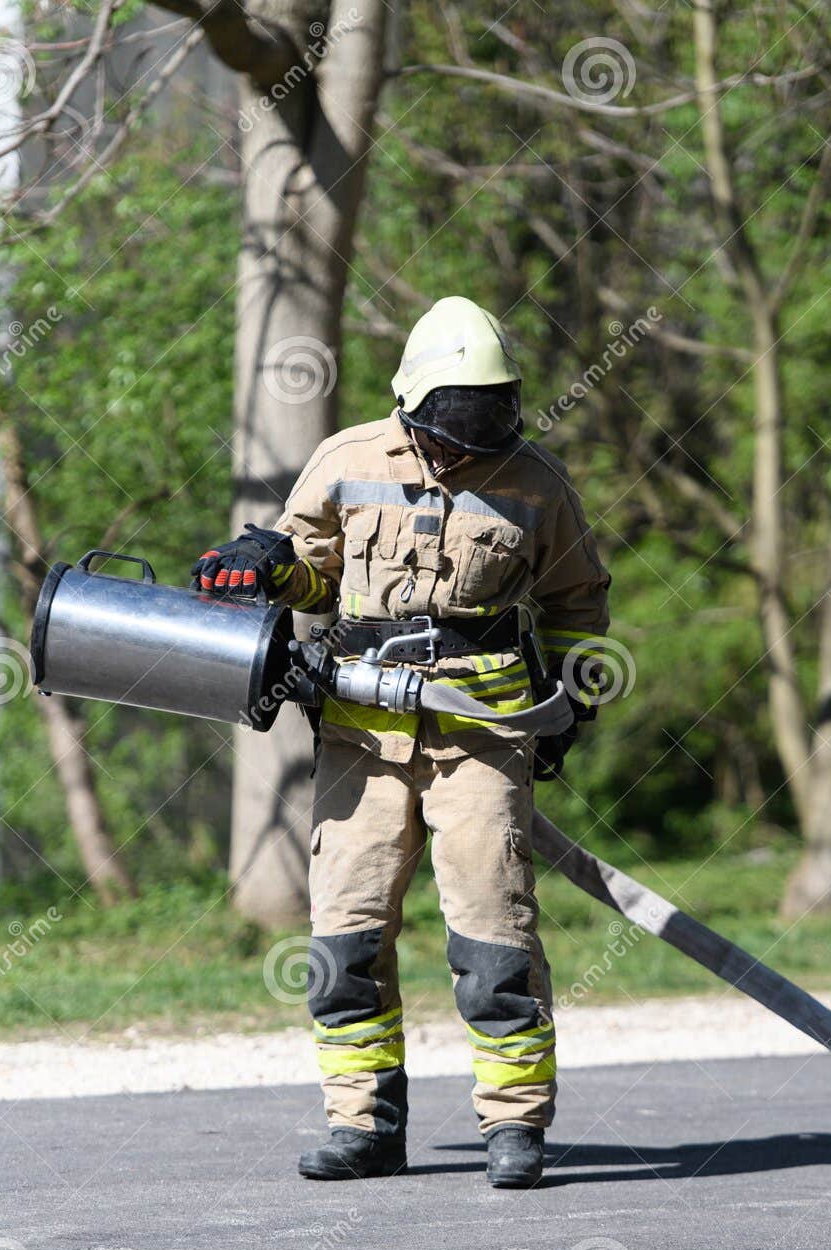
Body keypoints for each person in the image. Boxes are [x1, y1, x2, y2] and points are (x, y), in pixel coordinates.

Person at [194, 298, 609, 1188]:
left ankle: (514, 1127)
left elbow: (579, 603)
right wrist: (266, 568)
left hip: (483, 741)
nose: (466, 444)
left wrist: (572, 702)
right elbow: (312, 577)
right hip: (360, 741)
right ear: (413, 403)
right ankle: (364, 1124)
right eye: (451, 425)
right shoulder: (345, 461)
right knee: (345, 938)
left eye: (485, 419)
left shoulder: (536, 481)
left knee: (495, 936)